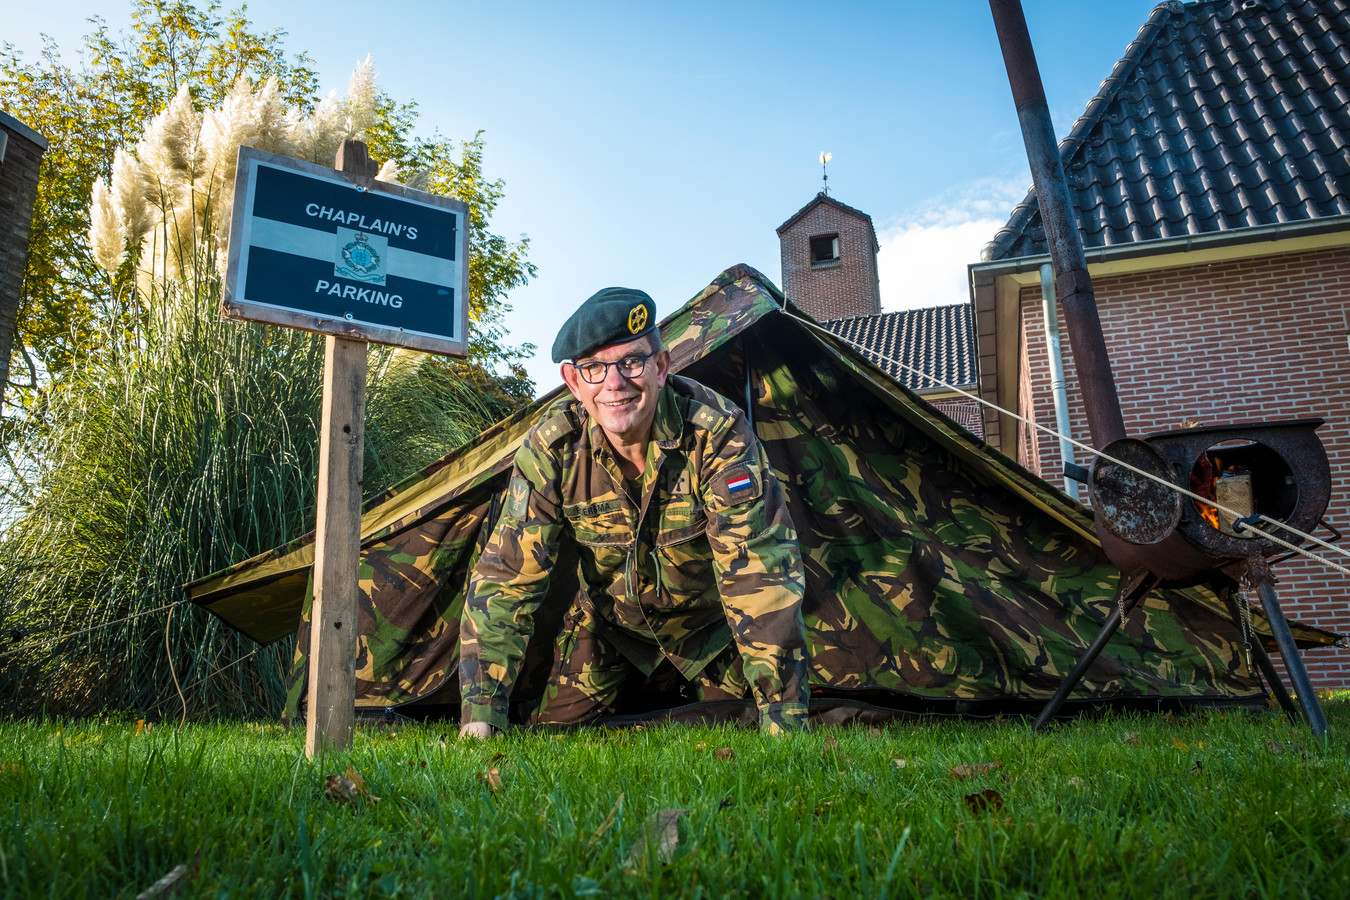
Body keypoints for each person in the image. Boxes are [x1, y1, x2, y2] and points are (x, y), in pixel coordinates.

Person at [459, 286, 808, 737]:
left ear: (661, 367)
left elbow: (760, 574)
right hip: (610, 630)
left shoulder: (717, 434)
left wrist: (783, 716)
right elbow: (506, 577)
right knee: (551, 734)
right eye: (594, 369)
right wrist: (482, 714)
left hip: (710, 632)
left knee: (736, 727)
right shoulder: (553, 448)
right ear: (573, 382)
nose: (615, 383)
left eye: (631, 362)